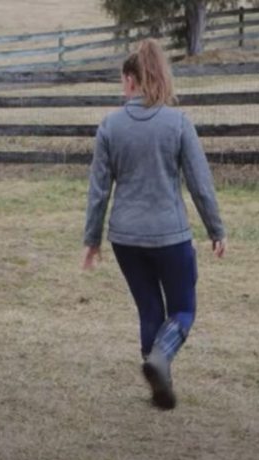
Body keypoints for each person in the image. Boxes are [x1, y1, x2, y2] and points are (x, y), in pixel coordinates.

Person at [81, 39, 226, 410]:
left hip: (125, 238)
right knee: (183, 309)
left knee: (149, 310)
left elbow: (98, 191)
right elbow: (200, 183)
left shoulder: (109, 126)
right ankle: (161, 360)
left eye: (121, 81)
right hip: (170, 236)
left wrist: (92, 240)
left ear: (131, 80)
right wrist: (216, 229)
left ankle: (160, 383)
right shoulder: (177, 123)